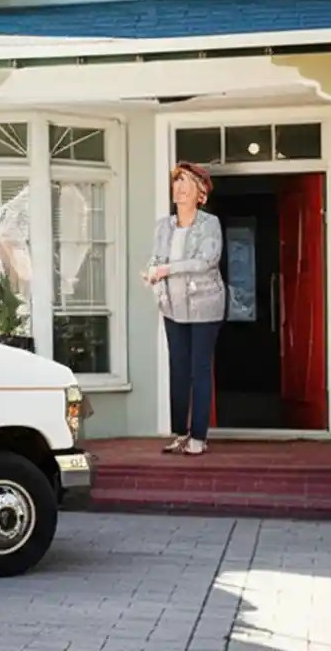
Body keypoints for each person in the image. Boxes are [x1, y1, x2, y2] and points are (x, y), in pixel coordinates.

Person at [143, 161, 225, 455]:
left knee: (199, 369)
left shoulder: (209, 224)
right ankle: (180, 432)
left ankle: (199, 437)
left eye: (186, 182)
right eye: (176, 181)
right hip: (172, 306)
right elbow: (156, 258)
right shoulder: (163, 226)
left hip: (205, 306)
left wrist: (165, 269)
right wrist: (152, 272)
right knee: (178, 368)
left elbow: (206, 261)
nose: (179, 188)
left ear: (200, 192)